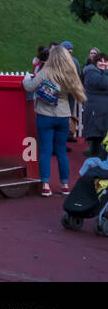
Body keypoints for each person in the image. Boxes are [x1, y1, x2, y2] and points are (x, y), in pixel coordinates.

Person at [22, 43, 86, 195]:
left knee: (45, 150)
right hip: (63, 116)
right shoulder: (69, 73)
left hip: (45, 115)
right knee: (61, 151)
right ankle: (65, 185)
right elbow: (75, 91)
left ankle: (45, 185)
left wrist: (26, 79)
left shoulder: (46, 71)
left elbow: (30, 87)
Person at [82, 54, 108, 157]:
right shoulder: (91, 73)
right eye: (100, 61)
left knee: (100, 133)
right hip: (95, 110)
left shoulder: (100, 73)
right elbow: (103, 83)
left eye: (105, 61)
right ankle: (94, 156)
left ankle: (96, 154)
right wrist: (107, 70)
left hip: (101, 109)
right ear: (95, 62)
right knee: (96, 133)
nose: (103, 63)